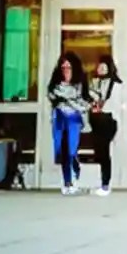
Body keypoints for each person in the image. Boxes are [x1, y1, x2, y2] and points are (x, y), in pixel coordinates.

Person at [48, 52, 90, 195]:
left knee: (71, 150)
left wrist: (68, 100)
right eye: (63, 66)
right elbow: (52, 97)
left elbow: (85, 102)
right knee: (61, 150)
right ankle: (67, 182)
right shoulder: (56, 83)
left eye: (69, 66)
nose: (65, 68)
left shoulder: (81, 83)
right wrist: (64, 99)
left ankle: (74, 176)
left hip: (74, 119)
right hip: (59, 117)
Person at [88, 55, 121, 196]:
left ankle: (105, 185)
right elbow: (90, 97)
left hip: (107, 120)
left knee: (104, 152)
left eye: (103, 67)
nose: (100, 69)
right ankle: (101, 183)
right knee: (99, 152)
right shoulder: (94, 82)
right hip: (96, 120)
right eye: (99, 66)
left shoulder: (116, 84)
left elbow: (112, 103)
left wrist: (99, 106)